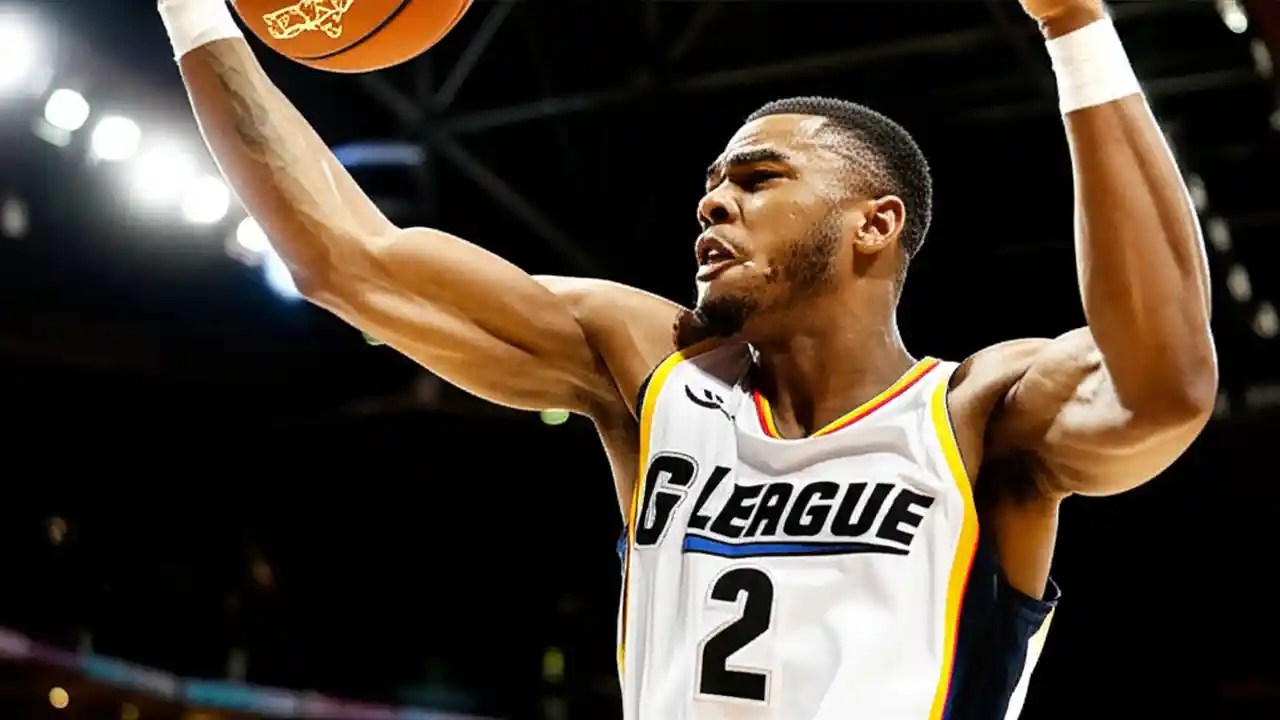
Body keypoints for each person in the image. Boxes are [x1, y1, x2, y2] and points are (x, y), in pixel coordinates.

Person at [157, 0, 1216, 717]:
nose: (713, 198)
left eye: (756, 179)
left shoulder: (977, 414)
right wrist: (191, 7)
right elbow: (350, 262)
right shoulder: (650, 368)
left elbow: (1161, 386)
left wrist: (1074, 26)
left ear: (873, 224)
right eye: (712, 180)